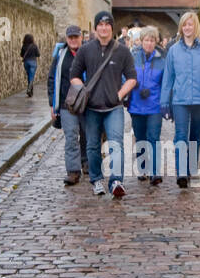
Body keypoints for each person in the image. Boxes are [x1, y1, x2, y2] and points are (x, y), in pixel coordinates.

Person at [71, 10, 137, 197]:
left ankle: (116, 180)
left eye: (107, 24)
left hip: (113, 108)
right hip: (91, 108)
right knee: (92, 145)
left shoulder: (122, 51)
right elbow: (74, 75)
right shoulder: (85, 50)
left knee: (116, 143)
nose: (104, 28)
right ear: (95, 28)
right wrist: (83, 91)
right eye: (100, 24)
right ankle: (96, 180)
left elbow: (132, 78)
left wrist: (119, 94)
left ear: (111, 27)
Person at [160, 12, 200, 188]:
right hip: (180, 100)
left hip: (199, 99)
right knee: (181, 136)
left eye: (190, 24)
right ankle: (182, 173)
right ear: (181, 27)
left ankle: (192, 167)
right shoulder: (174, 51)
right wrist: (164, 100)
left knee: (195, 137)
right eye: (184, 25)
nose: (187, 28)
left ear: (196, 26)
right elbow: (168, 76)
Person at [49, 24, 86, 185]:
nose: (73, 40)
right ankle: (73, 171)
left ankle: (87, 164)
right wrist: (52, 104)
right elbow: (52, 79)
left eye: (75, 37)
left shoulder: (88, 53)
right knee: (71, 137)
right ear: (66, 38)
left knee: (88, 136)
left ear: (81, 38)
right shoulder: (60, 55)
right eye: (70, 37)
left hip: (87, 103)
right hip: (67, 104)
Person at [128, 26, 166, 185]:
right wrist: (132, 84)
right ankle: (143, 168)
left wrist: (165, 102)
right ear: (141, 41)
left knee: (153, 137)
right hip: (136, 104)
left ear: (155, 41)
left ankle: (155, 172)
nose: (149, 43)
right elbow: (125, 75)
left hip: (154, 105)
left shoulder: (162, 59)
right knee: (140, 137)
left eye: (152, 40)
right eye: (146, 40)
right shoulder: (132, 57)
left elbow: (165, 82)